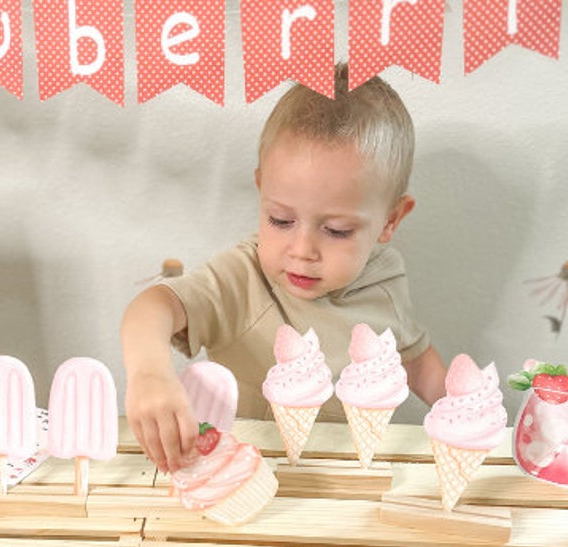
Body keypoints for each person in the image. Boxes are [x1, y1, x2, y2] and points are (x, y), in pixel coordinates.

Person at [122, 63, 446, 473]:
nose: (302, 250)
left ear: (391, 221)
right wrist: (149, 373)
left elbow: (413, 356)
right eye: (281, 220)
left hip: (342, 477)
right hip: (239, 476)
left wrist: (465, 409)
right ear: (262, 190)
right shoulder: (245, 277)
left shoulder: (385, 277)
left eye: (336, 230)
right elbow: (153, 306)